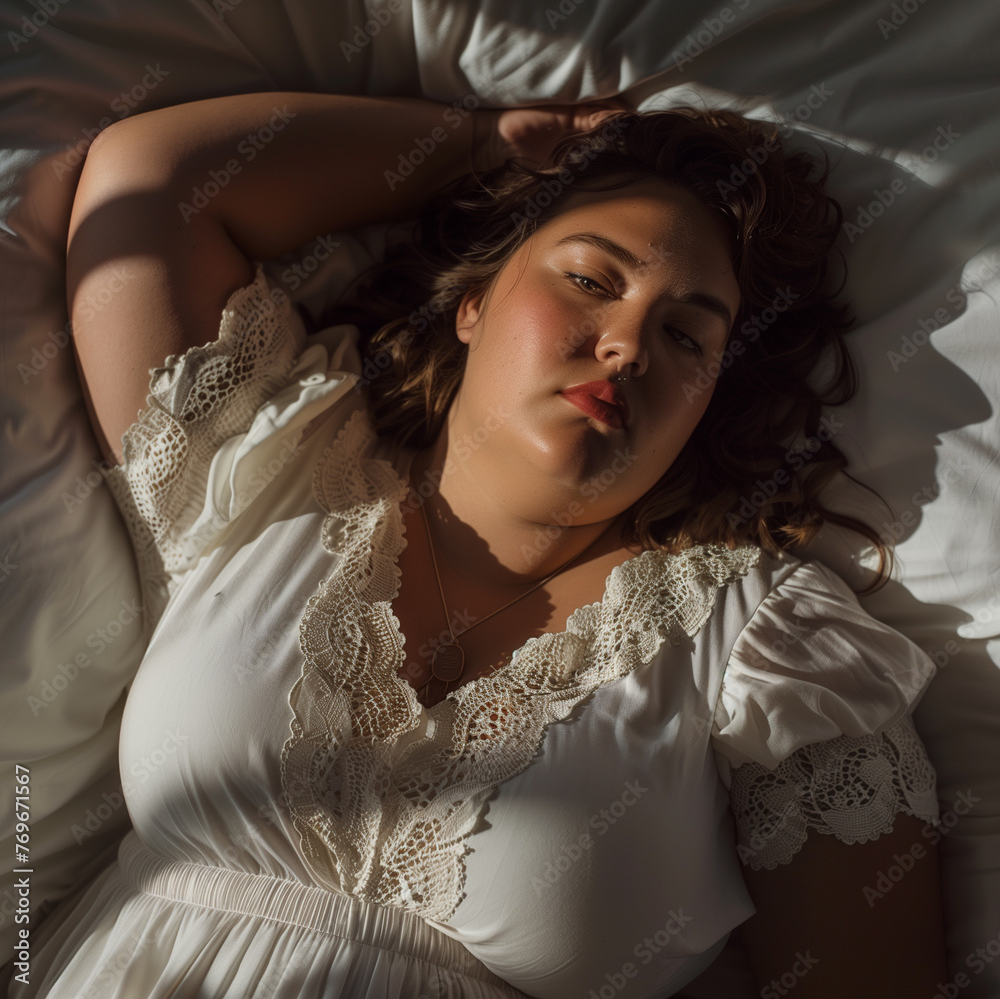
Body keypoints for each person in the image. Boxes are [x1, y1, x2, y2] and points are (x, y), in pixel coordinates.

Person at [9, 92, 947, 998]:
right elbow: (153, 180)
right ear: (473, 303)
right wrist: (481, 142)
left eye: (686, 335)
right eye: (589, 280)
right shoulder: (270, 467)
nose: (626, 347)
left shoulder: (772, 650)